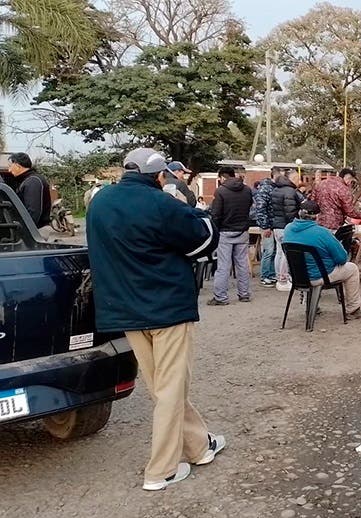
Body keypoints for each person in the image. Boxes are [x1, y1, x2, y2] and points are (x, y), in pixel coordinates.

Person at [86, 147, 224, 491]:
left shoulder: (99, 203)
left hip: (125, 310)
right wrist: (203, 217)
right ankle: (160, 470)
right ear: (160, 176)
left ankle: (199, 446)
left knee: (163, 388)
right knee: (170, 389)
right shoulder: (162, 204)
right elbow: (204, 240)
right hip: (166, 308)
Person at [282, 200, 361, 319]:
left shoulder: (288, 229)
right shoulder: (322, 233)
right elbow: (341, 258)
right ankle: (353, 309)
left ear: (299, 213)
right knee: (352, 269)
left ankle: (309, 306)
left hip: (297, 276)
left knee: (308, 264)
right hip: (319, 276)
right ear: (317, 216)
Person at [208, 167, 254, 305]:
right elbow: (250, 207)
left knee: (223, 265)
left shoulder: (220, 191)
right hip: (243, 231)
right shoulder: (247, 190)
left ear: (222, 177)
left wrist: (215, 230)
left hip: (225, 232)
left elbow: (215, 214)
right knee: (242, 264)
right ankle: (244, 294)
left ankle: (221, 297)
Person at [270, 171, 302, 291]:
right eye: (297, 178)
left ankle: (279, 277)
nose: (299, 181)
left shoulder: (276, 190)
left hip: (277, 226)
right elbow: (290, 212)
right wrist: (295, 224)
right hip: (286, 226)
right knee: (286, 253)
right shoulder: (290, 191)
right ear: (292, 178)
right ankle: (283, 280)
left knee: (279, 252)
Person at [7, 153, 51, 229]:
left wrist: (26, 232)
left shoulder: (33, 181)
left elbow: (33, 212)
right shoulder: (28, 180)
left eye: (10, 166)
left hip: (36, 231)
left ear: (17, 166)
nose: (9, 170)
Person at [253, 177, 278, 286]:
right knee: (269, 250)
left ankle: (271, 274)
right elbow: (260, 210)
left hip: (271, 225)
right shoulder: (265, 190)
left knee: (272, 251)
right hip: (268, 225)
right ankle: (265, 275)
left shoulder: (265, 189)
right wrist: (265, 226)